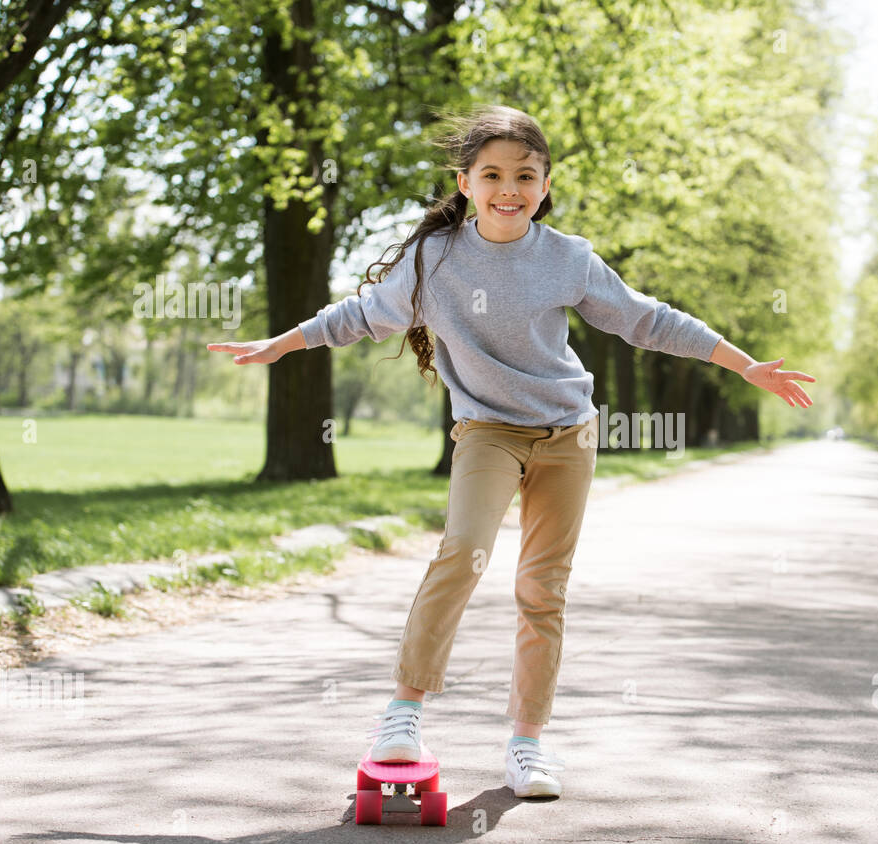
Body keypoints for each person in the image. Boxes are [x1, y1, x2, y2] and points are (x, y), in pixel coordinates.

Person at [208, 104, 815, 799]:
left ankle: (527, 744)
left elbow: (649, 319)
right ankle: (401, 714)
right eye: (492, 174)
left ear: (545, 181)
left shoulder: (567, 258)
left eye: (524, 175)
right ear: (465, 182)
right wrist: (281, 343)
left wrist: (745, 364)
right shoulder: (433, 259)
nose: (509, 188)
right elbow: (359, 315)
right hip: (488, 430)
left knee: (542, 588)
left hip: (567, 433)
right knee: (463, 548)